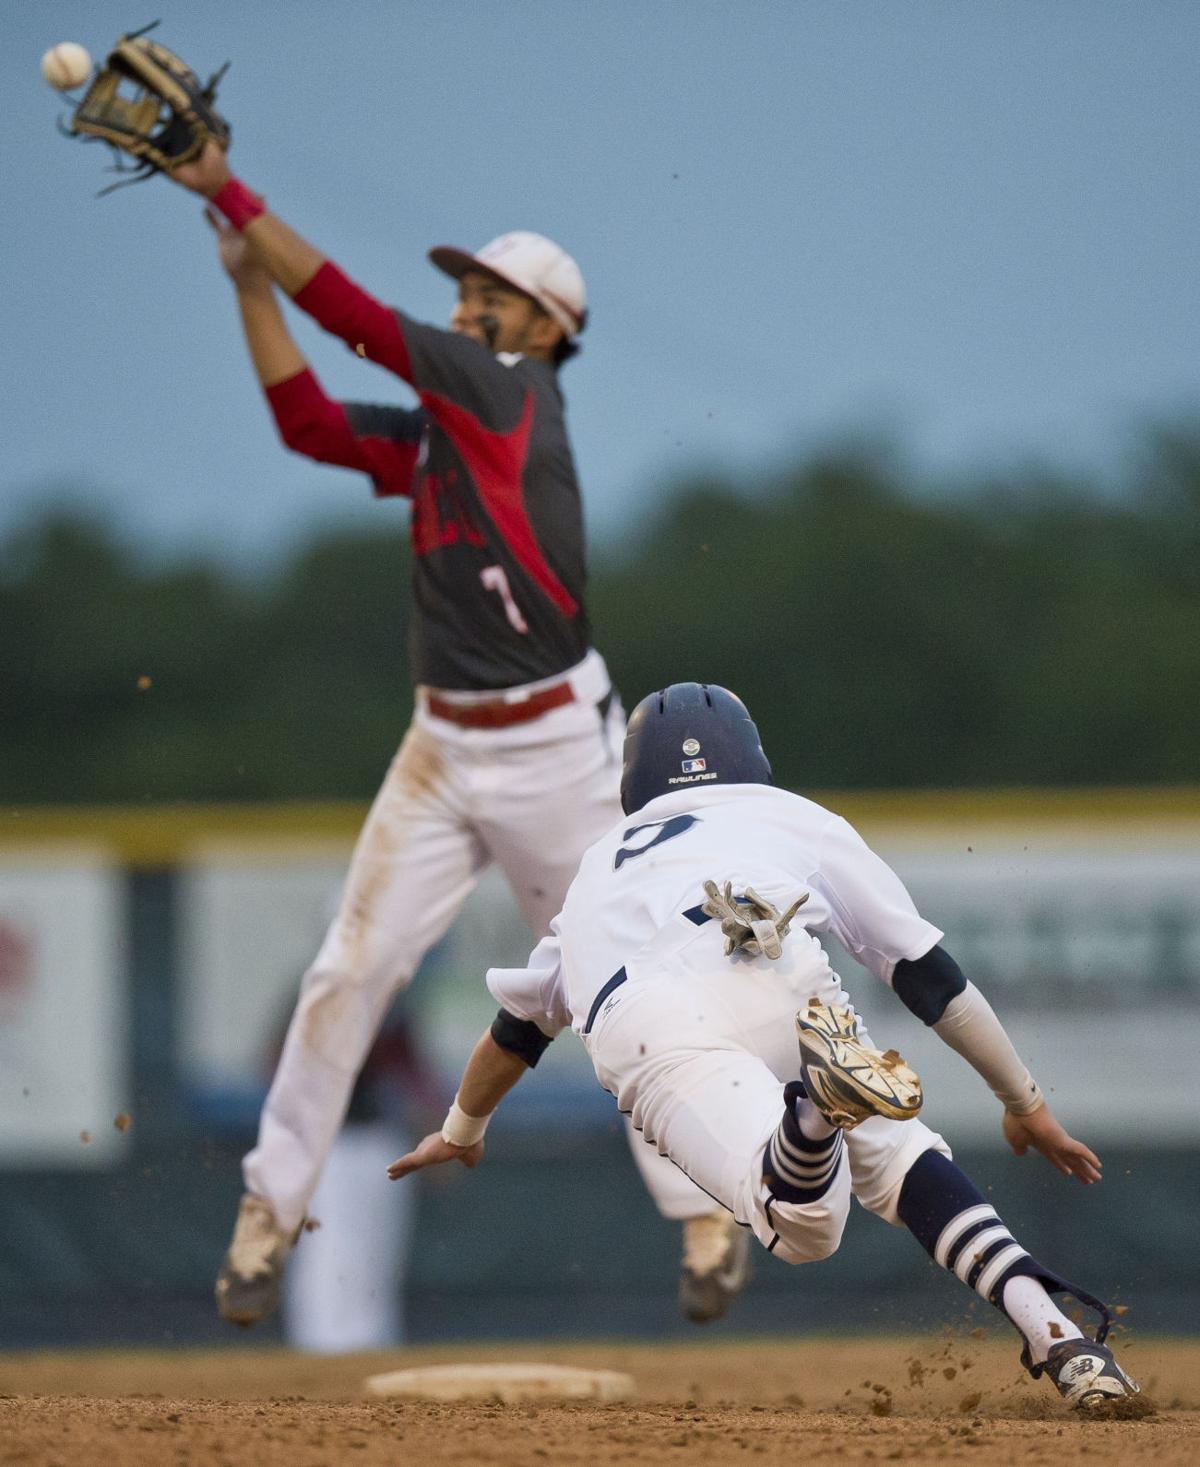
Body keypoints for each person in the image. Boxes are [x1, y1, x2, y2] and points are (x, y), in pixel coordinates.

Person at [159, 144, 746, 1327]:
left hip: (555, 757)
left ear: (547, 327)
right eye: (466, 289)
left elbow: (362, 325)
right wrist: (244, 282)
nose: (468, 303)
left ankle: (704, 1214)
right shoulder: (450, 428)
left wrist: (227, 189)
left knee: (615, 987)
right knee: (345, 971)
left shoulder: (508, 392)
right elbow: (310, 425)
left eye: (494, 294)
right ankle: (270, 1212)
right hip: (442, 748)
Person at [389, 683, 1140, 1412]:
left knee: (804, 1229)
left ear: (635, 780)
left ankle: (814, 1112)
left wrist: (460, 1130)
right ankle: (1063, 1340)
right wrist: (1024, 1101)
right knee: (905, 1159)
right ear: (750, 756)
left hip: (650, 1014)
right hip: (775, 961)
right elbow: (927, 973)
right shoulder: (794, 816)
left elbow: (516, 1030)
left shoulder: (601, 864)